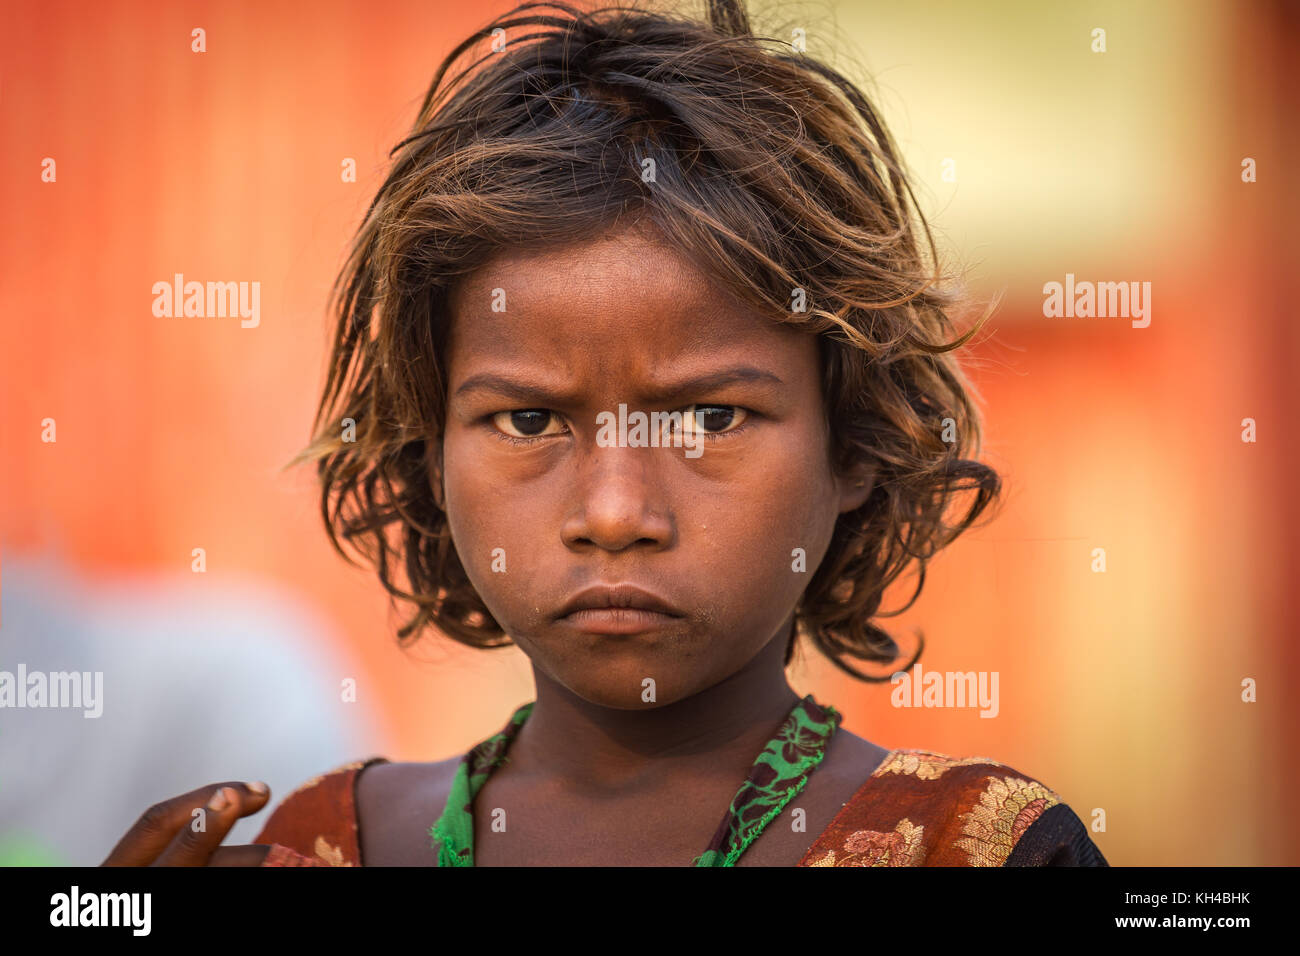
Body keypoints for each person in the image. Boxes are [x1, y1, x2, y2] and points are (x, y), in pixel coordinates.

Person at [101, 0, 1106, 868]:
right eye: (528, 419)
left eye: (711, 416)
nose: (615, 512)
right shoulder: (325, 843)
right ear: (429, 458)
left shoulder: (971, 846)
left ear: (850, 445)